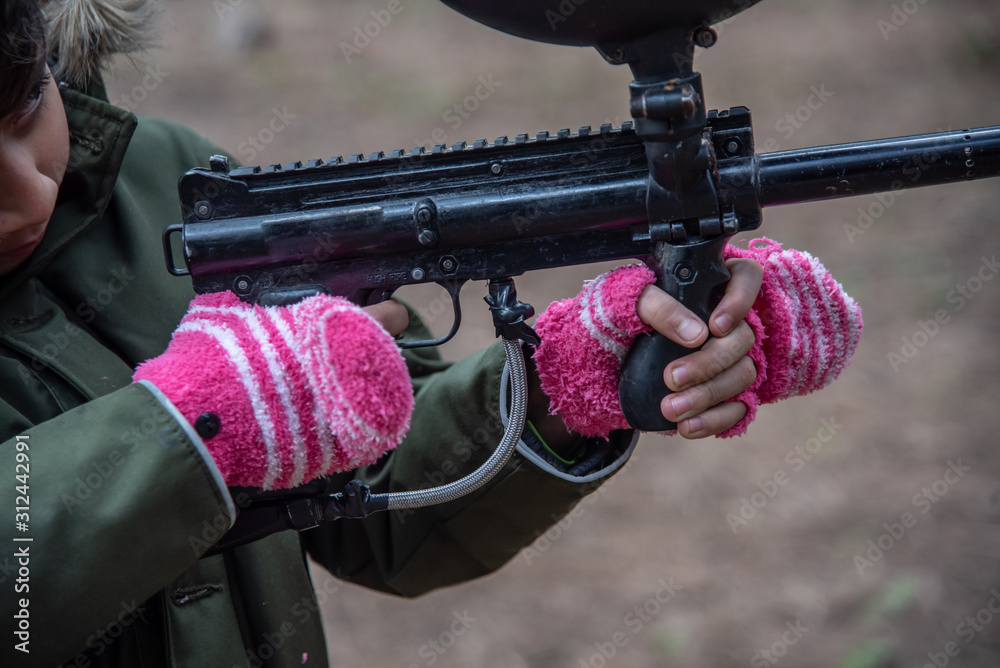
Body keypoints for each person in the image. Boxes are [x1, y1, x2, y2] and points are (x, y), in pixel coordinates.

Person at [0, 1, 861, 666]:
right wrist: (189, 429)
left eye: (28, 105)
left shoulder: (157, 178)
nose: (31, 190)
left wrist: (563, 382)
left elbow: (382, 508)